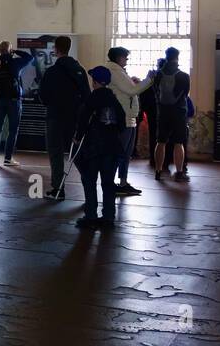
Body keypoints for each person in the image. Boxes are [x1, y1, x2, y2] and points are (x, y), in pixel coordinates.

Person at [73, 67, 127, 229]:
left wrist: (77, 137)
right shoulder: (114, 99)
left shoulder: (92, 99)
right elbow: (122, 123)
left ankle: (91, 216)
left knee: (89, 180)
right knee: (108, 183)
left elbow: (83, 119)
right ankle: (108, 218)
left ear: (95, 82)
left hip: (93, 147)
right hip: (112, 147)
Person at [37, 35, 88, 200]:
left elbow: (43, 96)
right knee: (76, 152)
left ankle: (58, 189)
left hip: (55, 117)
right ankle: (89, 185)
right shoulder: (79, 70)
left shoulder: (52, 72)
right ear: (69, 48)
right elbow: (87, 95)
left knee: (56, 153)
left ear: (55, 49)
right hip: (74, 117)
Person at [105, 47, 153, 196]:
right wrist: (149, 80)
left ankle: (123, 182)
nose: (127, 60)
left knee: (126, 154)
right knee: (119, 153)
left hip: (129, 118)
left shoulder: (119, 71)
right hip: (123, 118)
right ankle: (111, 183)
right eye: (125, 57)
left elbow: (129, 90)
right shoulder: (115, 71)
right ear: (119, 58)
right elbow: (132, 91)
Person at [0, 41, 32, 165]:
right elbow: (30, 57)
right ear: (10, 50)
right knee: (13, 130)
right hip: (14, 101)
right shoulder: (15, 62)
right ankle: (8, 159)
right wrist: (15, 52)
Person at [151, 46, 191, 182]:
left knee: (160, 141)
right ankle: (179, 172)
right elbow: (185, 95)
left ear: (166, 56)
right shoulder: (184, 76)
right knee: (178, 142)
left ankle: (157, 171)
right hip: (179, 112)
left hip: (163, 111)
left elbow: (155, 93)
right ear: (177, 57)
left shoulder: (158, 75)